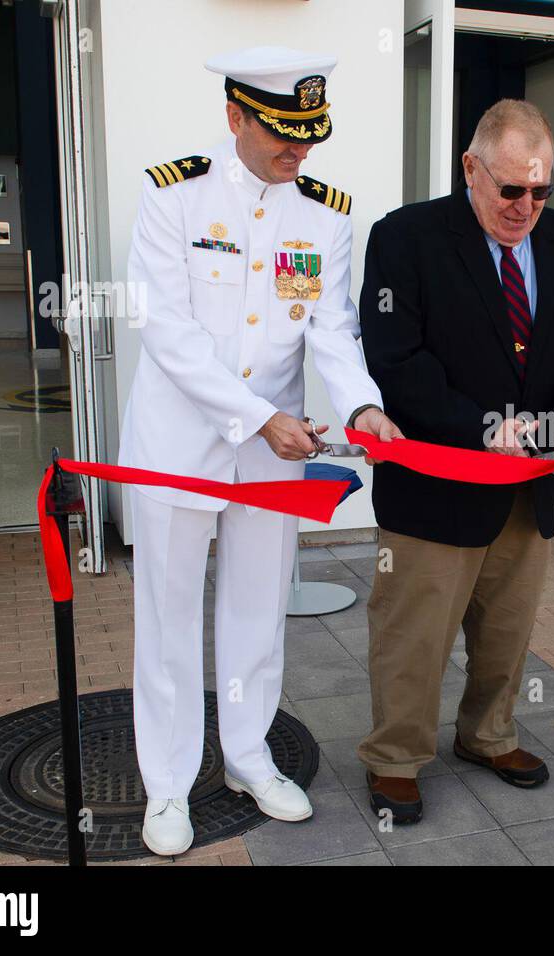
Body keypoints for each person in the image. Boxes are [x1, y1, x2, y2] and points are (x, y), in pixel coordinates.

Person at [120, 46, 402, 856]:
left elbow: (333, 331)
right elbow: (166, 331)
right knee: (168, 622)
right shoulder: (173, 194)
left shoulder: (325, 214)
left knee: (255, 612)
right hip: (179, 446)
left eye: (310, 134)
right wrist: (256, 415)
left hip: (270, 458)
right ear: (235, 115)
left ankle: (248, 755)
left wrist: (363, 405)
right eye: (283, 132)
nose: (299, 150)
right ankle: (167, 784)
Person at [356, 99, 554, 824]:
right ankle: (396, 758)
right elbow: (396, 359)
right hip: (436, 485)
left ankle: (489, 734)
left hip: (528, 489)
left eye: (540, 192)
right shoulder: (405, 238)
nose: (525, 206)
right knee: (416, 634)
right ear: (471, 168)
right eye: (510, 190)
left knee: (506, 630)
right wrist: (484, 427)